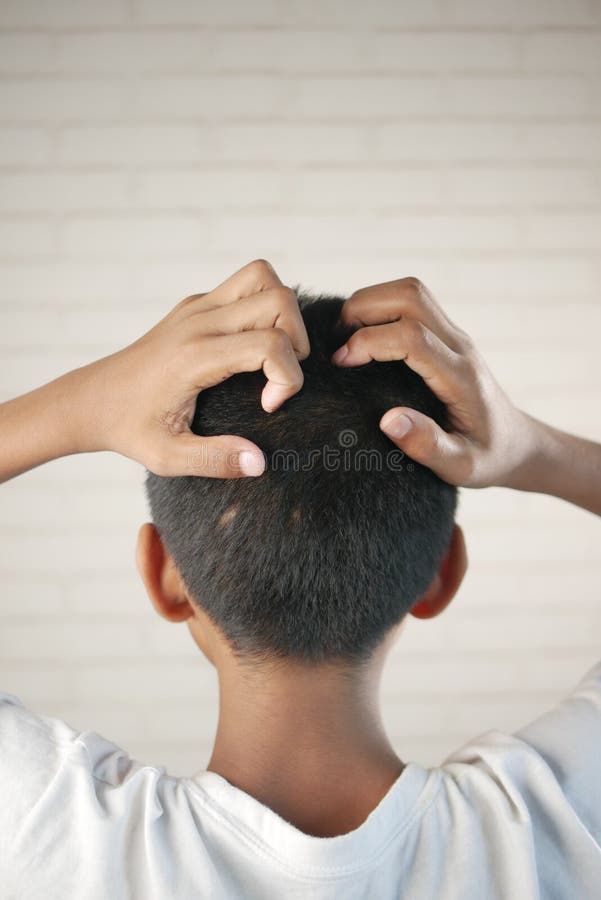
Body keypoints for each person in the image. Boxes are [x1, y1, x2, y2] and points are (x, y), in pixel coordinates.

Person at [0, 258, 599, 898]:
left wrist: (84, 403)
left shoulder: (57, 837)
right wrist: (530, 451)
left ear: (161, 573)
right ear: (442, 572)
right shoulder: (547, 827)